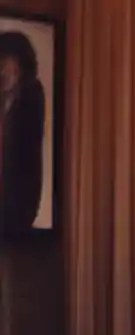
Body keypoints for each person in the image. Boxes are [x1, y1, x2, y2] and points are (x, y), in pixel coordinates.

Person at [0, 30, 45, 239]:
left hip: (17, 206)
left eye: (5, 63)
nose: (2, 71)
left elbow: (25, 153)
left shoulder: (31, 94)